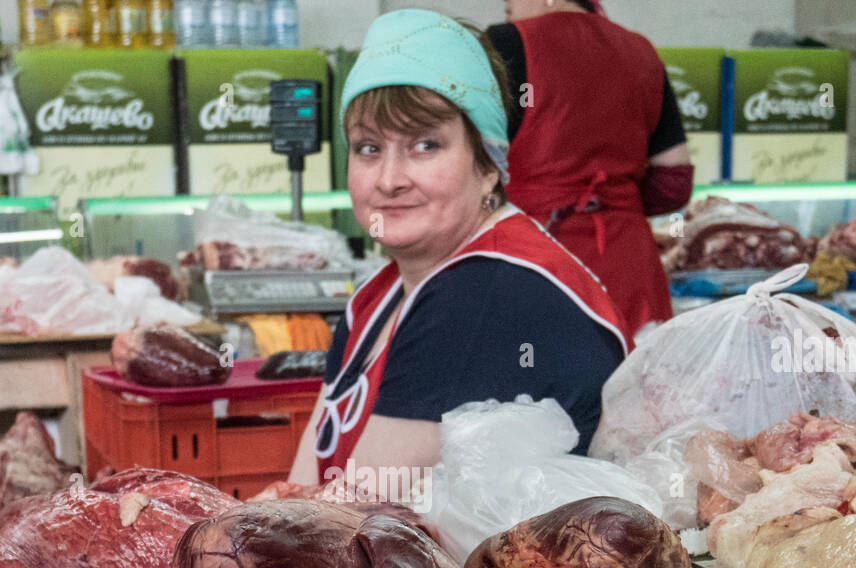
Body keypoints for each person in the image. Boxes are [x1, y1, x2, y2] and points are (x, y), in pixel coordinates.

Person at [286, 9, 628, 489]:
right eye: (368, 148)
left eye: (425, 145)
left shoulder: (488, 289)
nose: (389, 179)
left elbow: (356, 516)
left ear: (488, 164)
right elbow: (300, 497)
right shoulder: (372, 301)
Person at [486, 0, 694, 339]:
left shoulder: (505, 43)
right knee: (634, 383)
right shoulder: (640, 50)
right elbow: (674, 183)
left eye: (511, 6)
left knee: (529, 381)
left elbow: (468, 167)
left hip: (530, 255)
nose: (507, 12)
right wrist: (618, 200)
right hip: (629, 266)